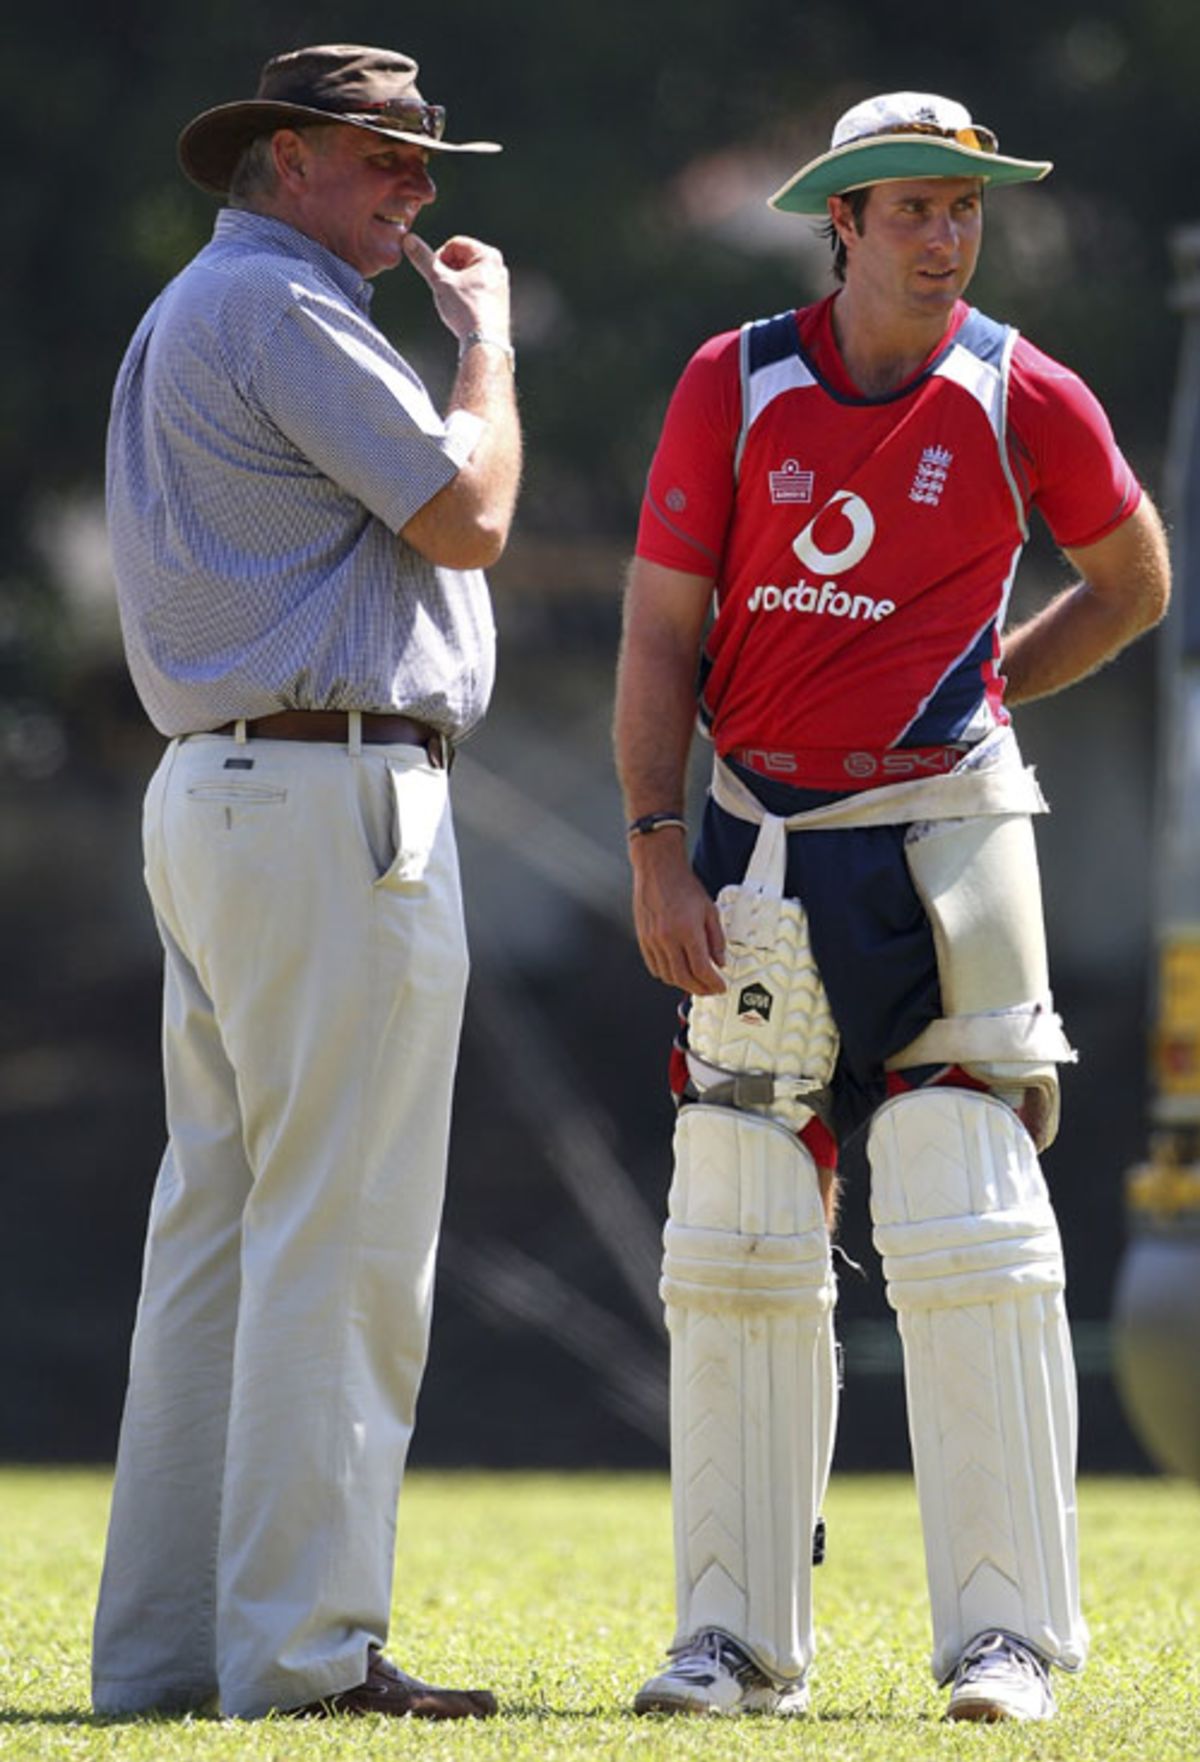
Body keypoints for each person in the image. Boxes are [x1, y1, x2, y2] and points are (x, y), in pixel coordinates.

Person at [614, 91, 1170, 1723]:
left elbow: (1135, 578)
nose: (945, 239)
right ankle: (730, 1641)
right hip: (755, 832)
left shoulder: (1021, 387)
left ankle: (1006, 1645)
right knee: (732, 1225)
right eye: (912, 209)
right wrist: (658, 842)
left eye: (964, 211)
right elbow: (659, 639)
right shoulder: (734, 381)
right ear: (838, 223)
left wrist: (997, 685)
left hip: (946, 833)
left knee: (969, 1217)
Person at [92, 43, 521, 1721]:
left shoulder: (206, 305)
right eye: (382, 161)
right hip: (329, 792)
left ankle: (174, 1648)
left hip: (226, 793)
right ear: (284, 160)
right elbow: (469, 513)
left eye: (423, 163)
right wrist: (485, 347)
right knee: (337, 1234)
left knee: (219, 1227)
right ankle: (301, 1649)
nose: (417, 189)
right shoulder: (281, 307)